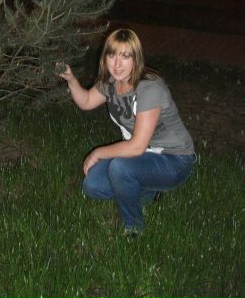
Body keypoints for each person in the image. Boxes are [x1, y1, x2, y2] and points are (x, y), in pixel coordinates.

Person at [57, 28, 195, 235]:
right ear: (104, 57)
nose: (117, 64)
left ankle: (133, 228)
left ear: (136, 58)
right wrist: (71, 79)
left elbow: (137, 147)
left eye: (125, 56)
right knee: (92, 185)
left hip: (173, 160)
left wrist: (97, 153)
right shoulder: (111, 83)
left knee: (120, 168)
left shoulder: (149, 89)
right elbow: (86, 101)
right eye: (112, 55)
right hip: (143, 156)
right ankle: (149, 192)